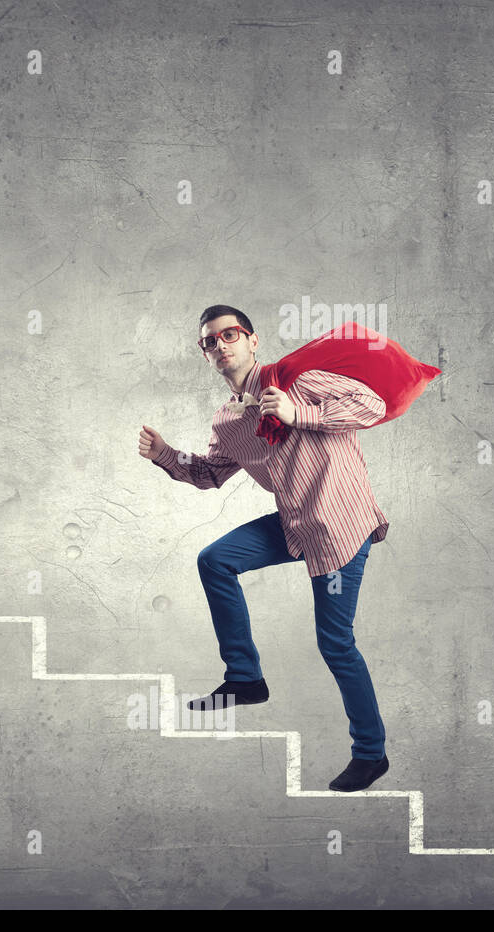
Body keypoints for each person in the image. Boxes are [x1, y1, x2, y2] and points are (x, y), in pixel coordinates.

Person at [138, 305, 391, 792]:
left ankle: (371, 754)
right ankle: (246, 678)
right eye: (210, 341)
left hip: (340, 526)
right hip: (295, 524)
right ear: (206, 355)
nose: (221, 344)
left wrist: (302, 414)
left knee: (336, 644)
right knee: (215, 559)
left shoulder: (299, 381)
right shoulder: (229, 420)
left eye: (230, 334)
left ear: (252, 341)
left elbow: (371, 405)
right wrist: (165, 455)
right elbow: (210, 473)